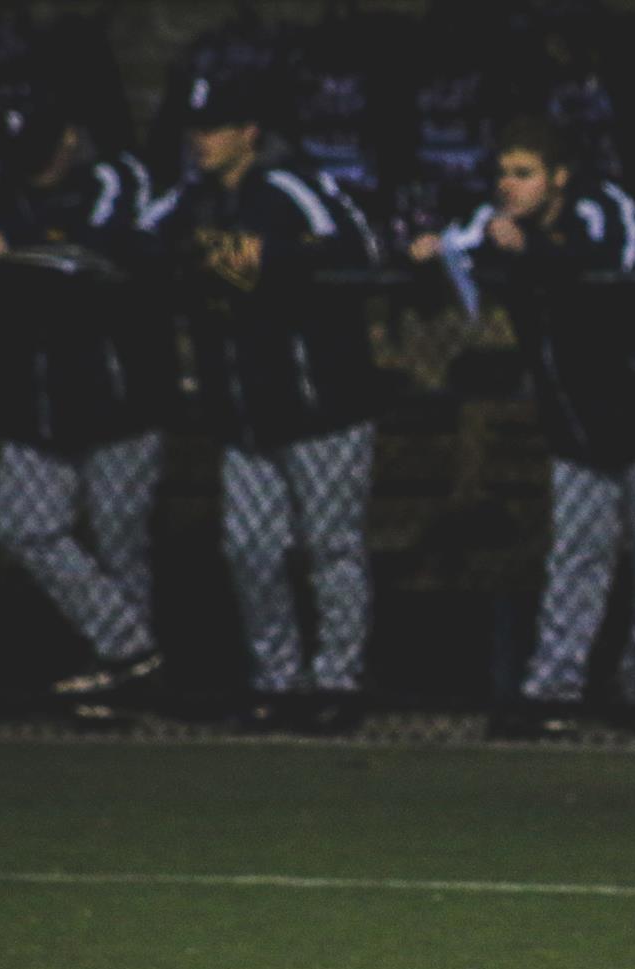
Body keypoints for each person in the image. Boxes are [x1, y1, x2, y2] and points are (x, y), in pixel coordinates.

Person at [410, 116, 635, 734]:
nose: (509, 186)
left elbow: (607, 262)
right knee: (575, 561)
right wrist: (431, 256)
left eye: (524, 173)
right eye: (503, 173)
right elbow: (445, 259)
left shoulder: (602, 208)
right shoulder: (499, 225)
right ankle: (552, 694)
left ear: (559, 177)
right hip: (576, 432)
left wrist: (526, 251)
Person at [141, 68, 383, 735]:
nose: (201, 140)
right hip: (243, 414)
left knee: (331, 549)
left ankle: (337, 685)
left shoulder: (291, 187)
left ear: (249, 131)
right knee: (249, 548)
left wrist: (225, 258)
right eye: (195, 128)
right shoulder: (194, 198)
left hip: (320, 406)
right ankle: (277, 682)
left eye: (214, 127)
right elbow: (137, 241)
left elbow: (356, 249)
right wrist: (228, 255)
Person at [0, 78, 170, 716]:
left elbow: (102, 258)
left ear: (70, 135)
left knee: (121, 545)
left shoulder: (119, 181)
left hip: (119, 398)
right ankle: (130, 651)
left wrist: (7, 254)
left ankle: (124, 686)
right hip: (29, 402)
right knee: (24, 528)